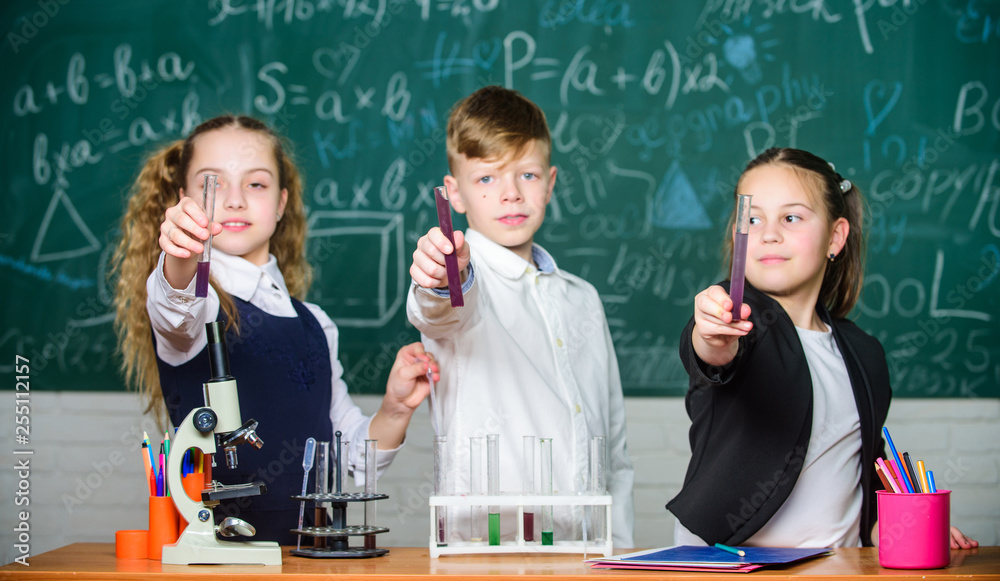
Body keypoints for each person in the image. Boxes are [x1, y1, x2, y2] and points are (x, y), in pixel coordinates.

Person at [111, 115, 438, 545]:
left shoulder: (315, 323)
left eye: (256, 184)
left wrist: (395, 409)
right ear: (183, 201)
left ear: (282, 203)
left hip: (315, 557)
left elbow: (350, 459)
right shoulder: (197, 303)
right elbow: (174, 303)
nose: (234, 200)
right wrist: (181, 252)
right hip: (219, 559)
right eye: (212, 184)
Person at [666, 147, 979, 550]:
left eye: (791, 218)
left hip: (840, 567)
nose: (769, 233)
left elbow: (860, 478)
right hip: (728, 564)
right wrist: (710, 335)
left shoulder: (864, 353)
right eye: (753, 219)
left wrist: (901, 527)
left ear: (835, 237)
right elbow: (712, 355)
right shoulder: (735, 320)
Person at [407, 86, 634, 547]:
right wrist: (442, 278)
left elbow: (613, 443)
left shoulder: (582, 298)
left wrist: (621, 548)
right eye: (487, 178)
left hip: (588, 551)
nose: (510, 194)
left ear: (550, 182)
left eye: (527, 175)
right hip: (487, 553)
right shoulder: (466, 280)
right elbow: (440, 308)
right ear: (455, 194)